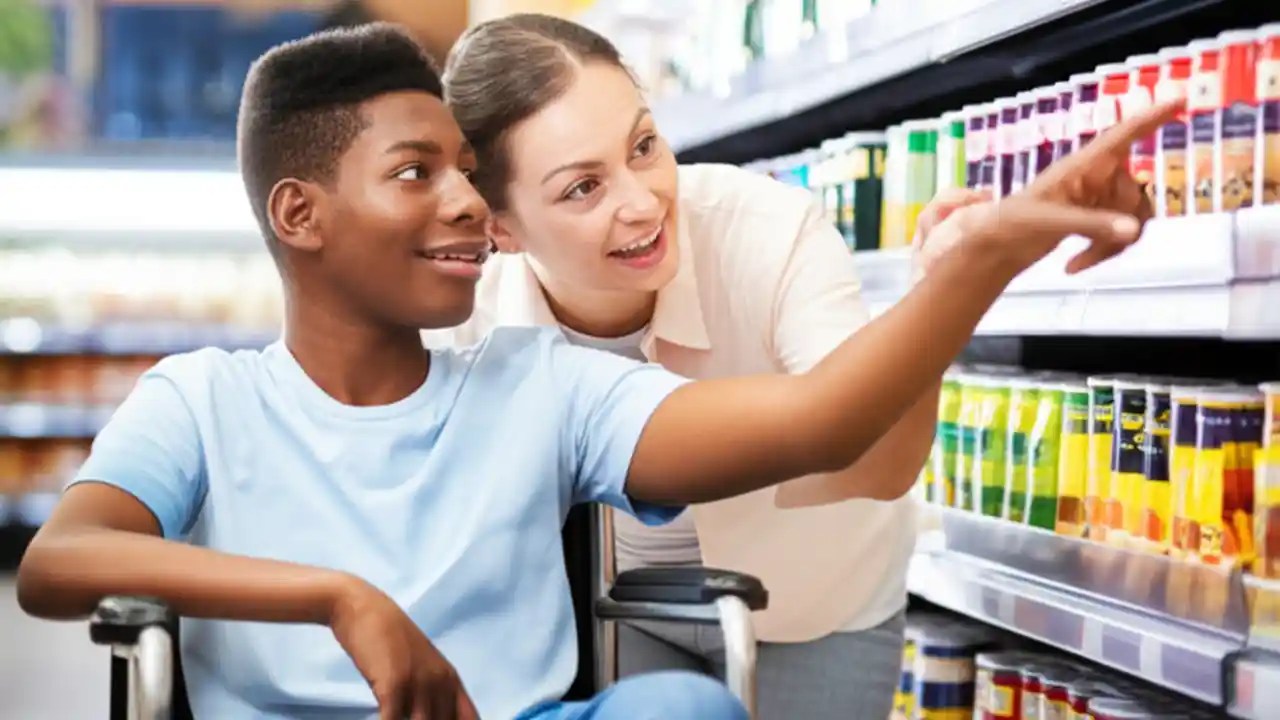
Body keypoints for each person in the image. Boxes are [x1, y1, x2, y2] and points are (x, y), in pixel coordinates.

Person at [16, 21, 1169, 720]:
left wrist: (980, 263)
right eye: (418, 173)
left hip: (680, 654)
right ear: (299, 213)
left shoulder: (541, 383)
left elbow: (827, 426)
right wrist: (338, 597)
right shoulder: (202, 398)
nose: (463, 201)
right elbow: (60, 565)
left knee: (677, 701)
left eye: (464, 172)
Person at [430, 14, 985, 718]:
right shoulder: (466, 320)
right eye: (582, 188)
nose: (642, 203)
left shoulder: (771, 230)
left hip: (814, 594)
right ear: (499, 227)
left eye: (643, 146)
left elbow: (876, 465)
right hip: (613, 602)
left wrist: (942, 297)